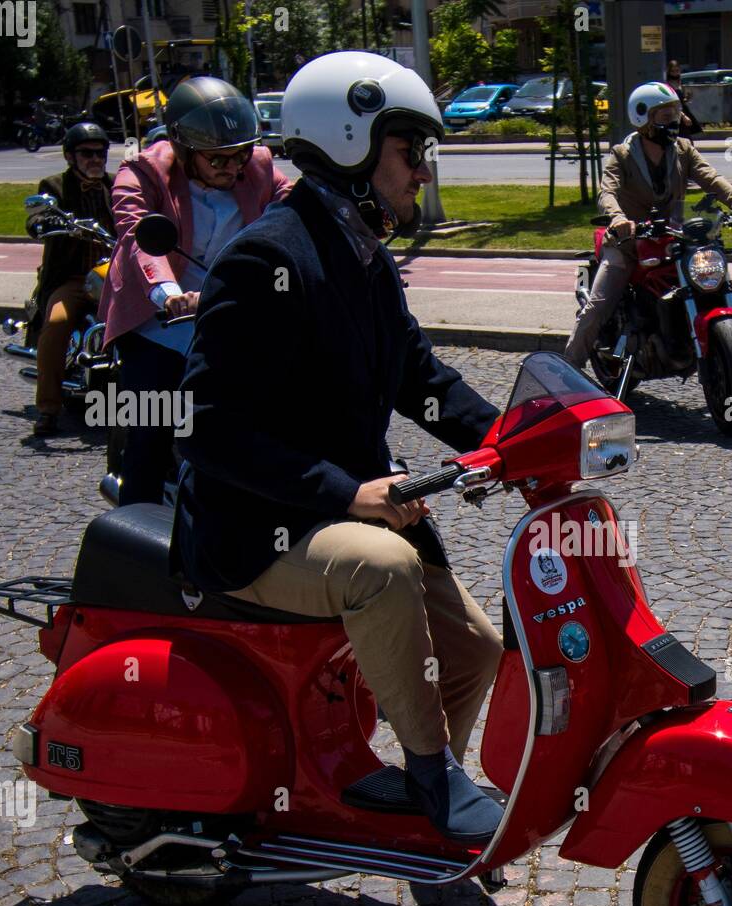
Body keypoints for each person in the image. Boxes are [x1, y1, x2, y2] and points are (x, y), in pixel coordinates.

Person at [171, 52, 505, 844]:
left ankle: (428, 795)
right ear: (350, 144)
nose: (421, 172)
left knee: (476, 651)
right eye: (408, 151)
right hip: (256, 529)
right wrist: (346, 492)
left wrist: (516, 437)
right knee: (380, 567)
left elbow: (416, 375)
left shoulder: (359, 252)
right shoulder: (268, 259)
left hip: (338, 514)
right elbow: (204, 425)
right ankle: (431, 773)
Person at [99, 77, 292, 505]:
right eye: (218, 159)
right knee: (151, 426)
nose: (233, 167)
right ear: (185, 150)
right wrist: (168, 294)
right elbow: (135, 236)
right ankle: (135, 528)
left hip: (230, 315)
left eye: (239, 155)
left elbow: (300, 206)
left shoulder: (255, 164)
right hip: (160, 323)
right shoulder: (143, 172)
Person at [564, 80, 732, 369]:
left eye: (675, 112)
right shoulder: (621, 155)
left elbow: (712, 179)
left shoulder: (683, 150)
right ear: (643, 118)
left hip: (672, 238)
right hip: (629, 242)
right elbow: (607, 191)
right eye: (665, 114)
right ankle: (568, 372)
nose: (674, 120)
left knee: (717, 283)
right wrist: (619, 219)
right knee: (598, 305)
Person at [26, 122, 115, 437]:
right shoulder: (55, 187)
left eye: (100, 152)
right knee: (58, 322)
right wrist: (45, 223)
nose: (95, 159)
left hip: (114, 276)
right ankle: (48, 409)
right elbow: (37, 216)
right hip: (74, 279)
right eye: (86, 153)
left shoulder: (115, 185)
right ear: (69, 156)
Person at [665, 60, 704, 138]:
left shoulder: (680, 83)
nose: (675, 73)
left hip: (683, 112)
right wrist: (683, 116)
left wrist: (687, 98)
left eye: (677, 71)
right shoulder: (668, 85)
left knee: (687, 140)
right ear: (669, 72)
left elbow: (682, 101)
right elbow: (673, 104)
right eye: (673, 71)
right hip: (676, 115)